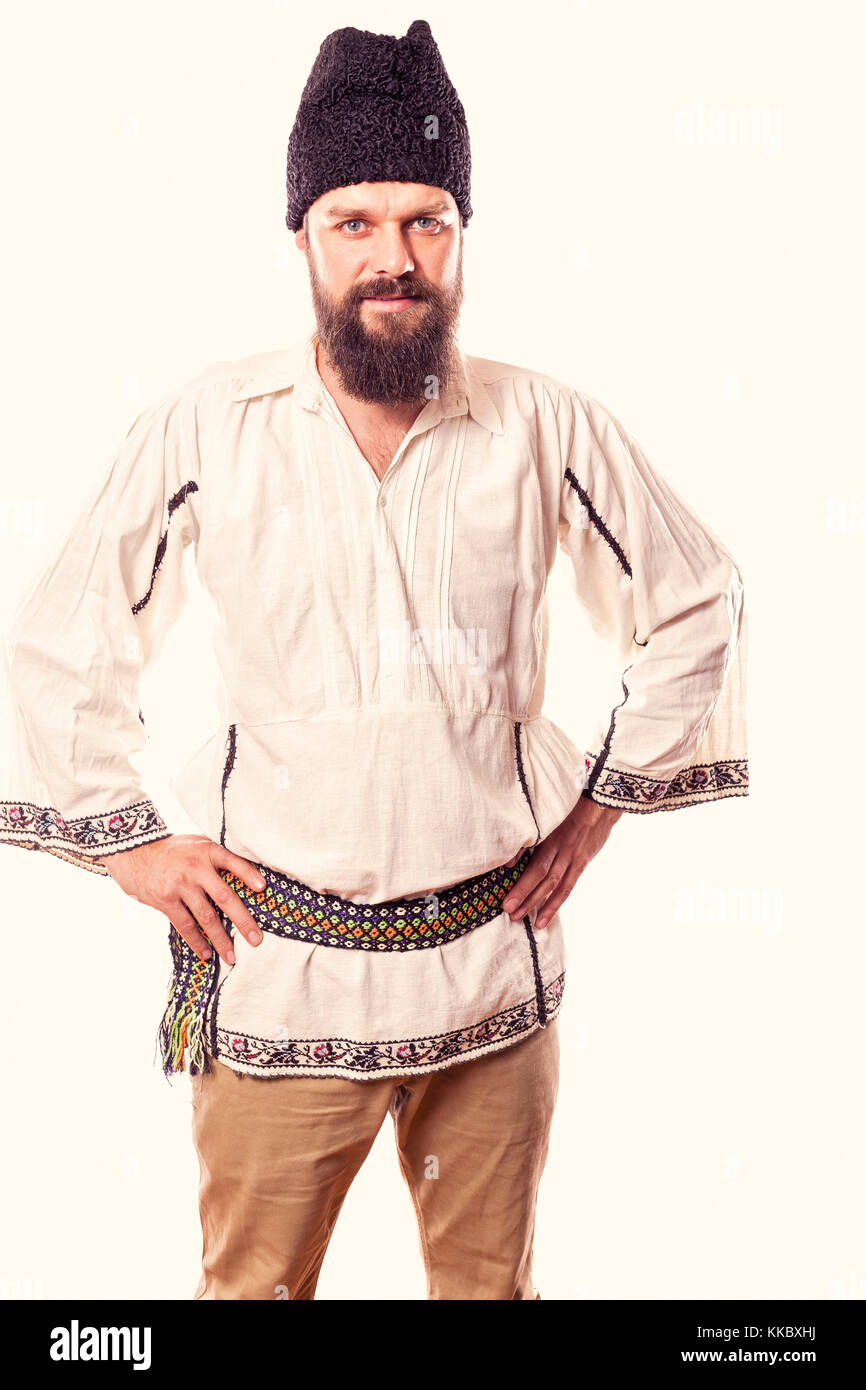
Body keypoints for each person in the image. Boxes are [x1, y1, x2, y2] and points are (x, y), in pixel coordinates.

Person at [0, 19, 749, 1300]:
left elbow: (699, 599)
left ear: (459, 236)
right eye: (354, 222)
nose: (391, 261)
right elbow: (60, 636)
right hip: (275, 983)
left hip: (490, 981)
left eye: (425, 222)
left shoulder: (544, 421)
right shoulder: (205, 426)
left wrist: (600, 808)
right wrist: (129, 843)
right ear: (301, 235)